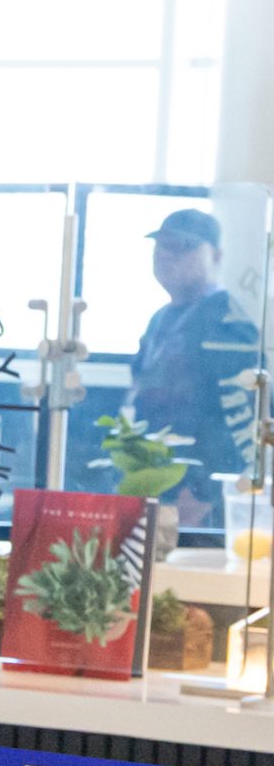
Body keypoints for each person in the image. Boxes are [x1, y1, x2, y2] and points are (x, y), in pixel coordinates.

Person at [129, 206, 262, 543]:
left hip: (199, 503)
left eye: (183, 246)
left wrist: (205, 491)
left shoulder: (225, 320)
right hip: (160, 483)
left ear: (215, 255)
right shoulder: (161, 319)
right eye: (162, 245)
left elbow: (240, 417)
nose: (166, 255)